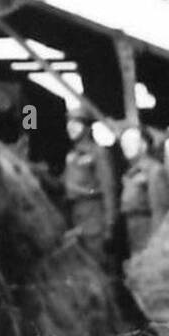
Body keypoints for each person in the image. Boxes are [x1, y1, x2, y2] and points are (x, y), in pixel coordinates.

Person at [63, 114, 117, 268]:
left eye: (76, 124)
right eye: (69, 125)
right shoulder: (71, 156)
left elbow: (108, 188)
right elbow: (65, 185)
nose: (70, 129)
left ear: (86, 128)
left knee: (98, 261)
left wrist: (110, 225)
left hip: (94, 212)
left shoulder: (97, 152)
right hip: (75, 212)